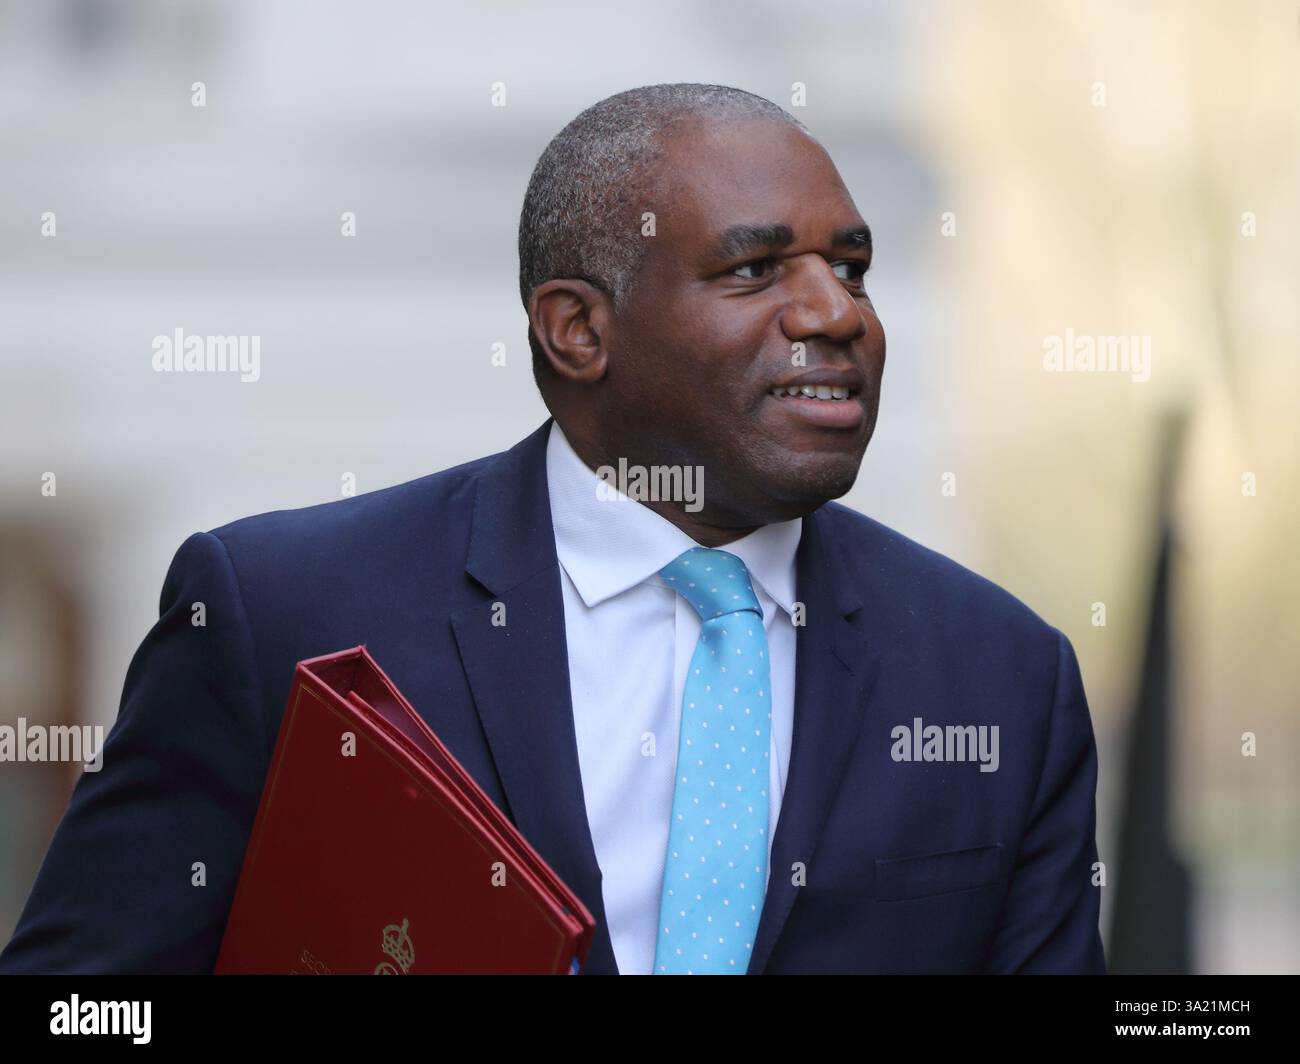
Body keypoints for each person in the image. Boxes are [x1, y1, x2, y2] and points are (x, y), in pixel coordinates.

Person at [0, 83, 1105, 975]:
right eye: (756, 267)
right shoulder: (280, 610)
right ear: (577, 329)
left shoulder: (1000, 676)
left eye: (851, 266)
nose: (835, 312)